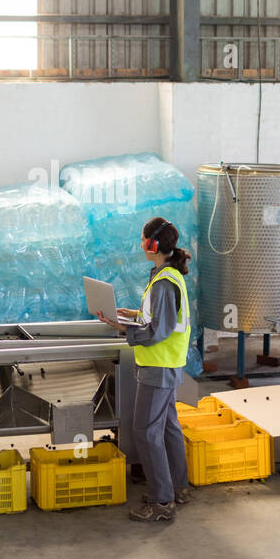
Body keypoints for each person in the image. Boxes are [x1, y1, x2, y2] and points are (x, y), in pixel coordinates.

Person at [98, 216, 192, 523]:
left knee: (146, 432)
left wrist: (125, 330)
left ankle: (161, 502)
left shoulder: (164, 281)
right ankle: (178, 488)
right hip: (168, 364)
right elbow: (161, 318)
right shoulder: (168, 276)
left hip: (157, 365)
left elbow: (159, 330)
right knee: (167, 428)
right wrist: (133, 314)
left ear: (152, 245)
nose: (141, 244)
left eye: (143, 239)